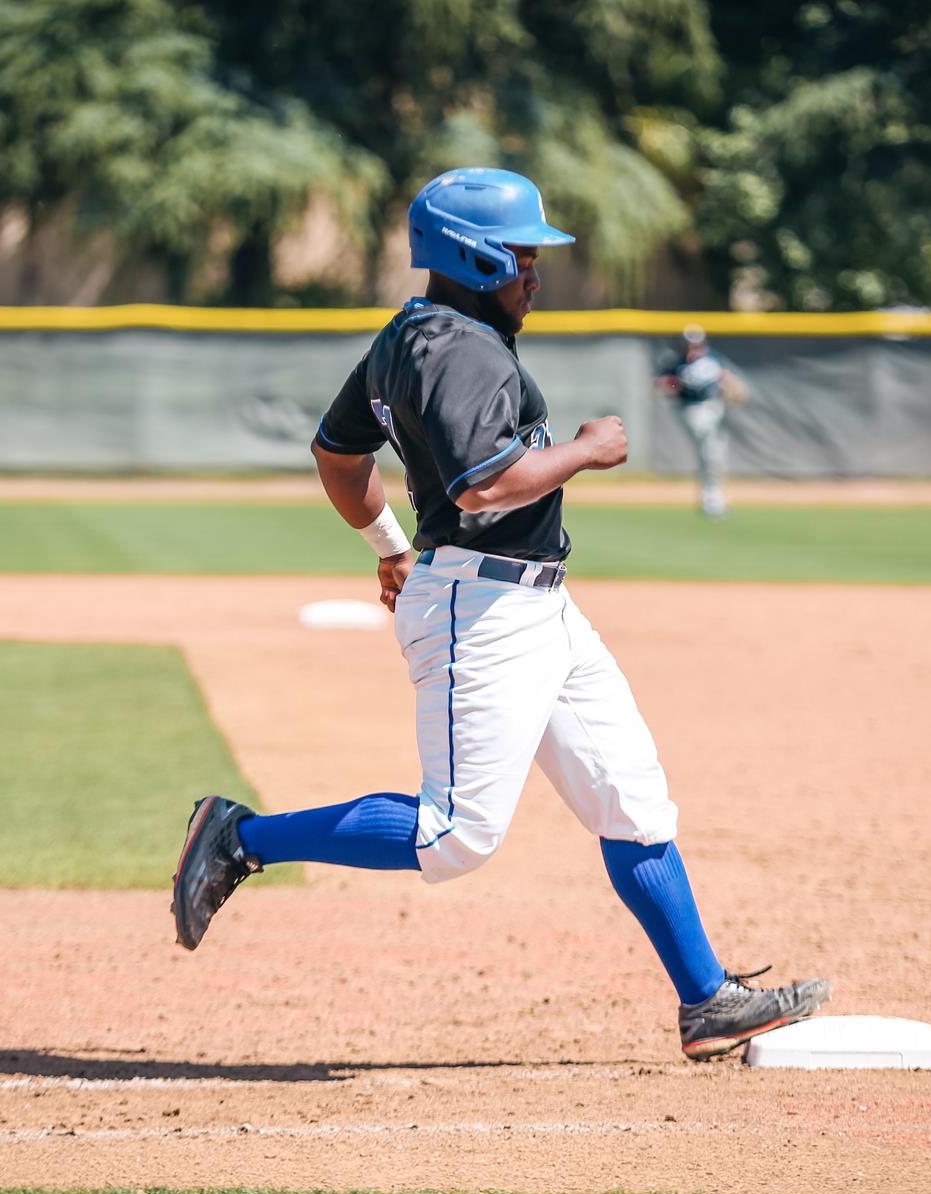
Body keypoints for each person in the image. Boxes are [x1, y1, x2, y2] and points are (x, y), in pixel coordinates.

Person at [169, 169, 830, 1061]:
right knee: (455, 837)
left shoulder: (413, 332)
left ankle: (705, 999)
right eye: (523, 255)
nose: (536, 273)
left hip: (536, 606)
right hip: (480, 612)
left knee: (631, 799)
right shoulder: (462, 350)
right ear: (474, 257)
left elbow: (336, 455)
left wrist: (387, 547)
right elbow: (484, 489)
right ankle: (241, 837)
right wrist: (588, 451)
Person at [655, 325, 746, 520]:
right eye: (690, 344)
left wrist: (734, 388)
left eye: (697, 344)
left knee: (716, 453)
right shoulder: (677, 363)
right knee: (710, 449)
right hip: (693, 409)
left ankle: (713, 496)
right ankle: (712, 499)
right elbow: (662, 384)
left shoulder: (711, 358)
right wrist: (674, 385)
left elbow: (725, 377)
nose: (694, 348)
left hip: (715, 406)